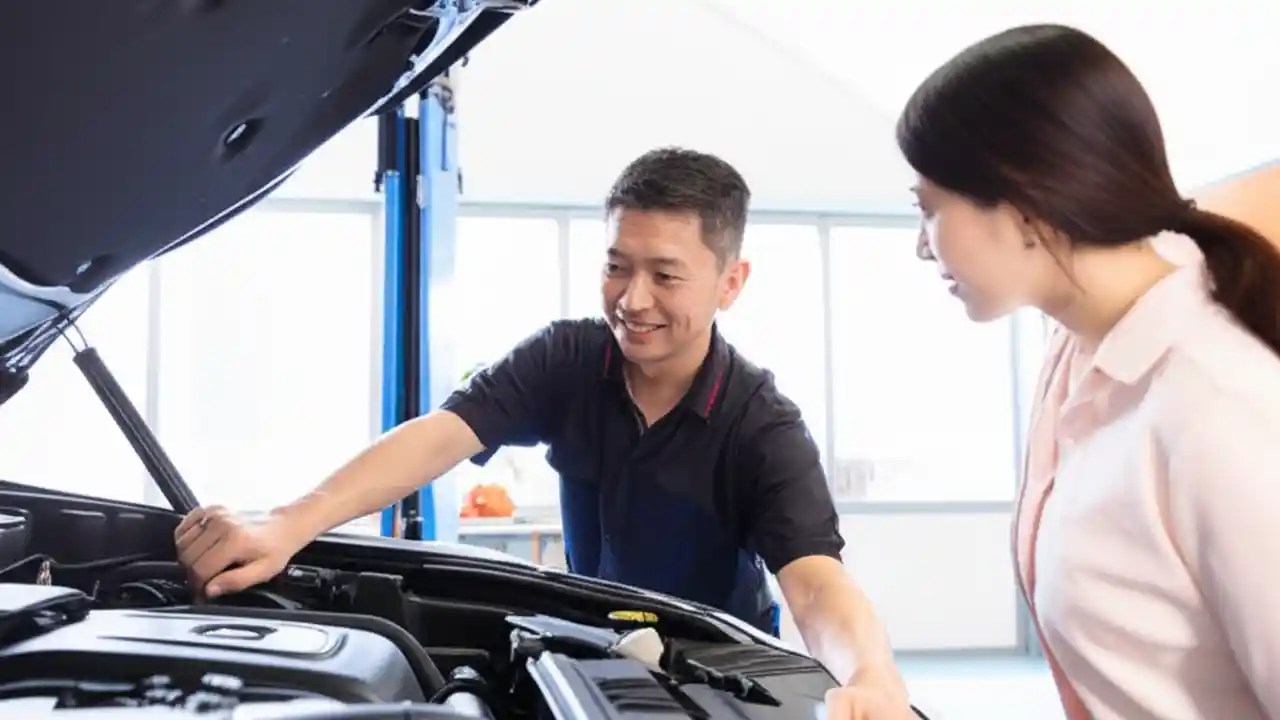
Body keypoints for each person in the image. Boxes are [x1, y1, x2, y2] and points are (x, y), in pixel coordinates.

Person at [174, 147, 912, 714]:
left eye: (666, 274)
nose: (633, 298)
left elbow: (814, 579)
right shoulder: (566, 358)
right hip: (588, 644)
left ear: (731, 282)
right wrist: (290, 523)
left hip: (715, 672)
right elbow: (441, 434)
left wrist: (873, 675)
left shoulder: (762, 424)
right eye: (616, 265)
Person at [893, 23, 1280, 720]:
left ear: (1022, 204)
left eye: (929, 211)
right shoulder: (1074, 355)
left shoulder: (1220, 407)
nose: (923, 248)